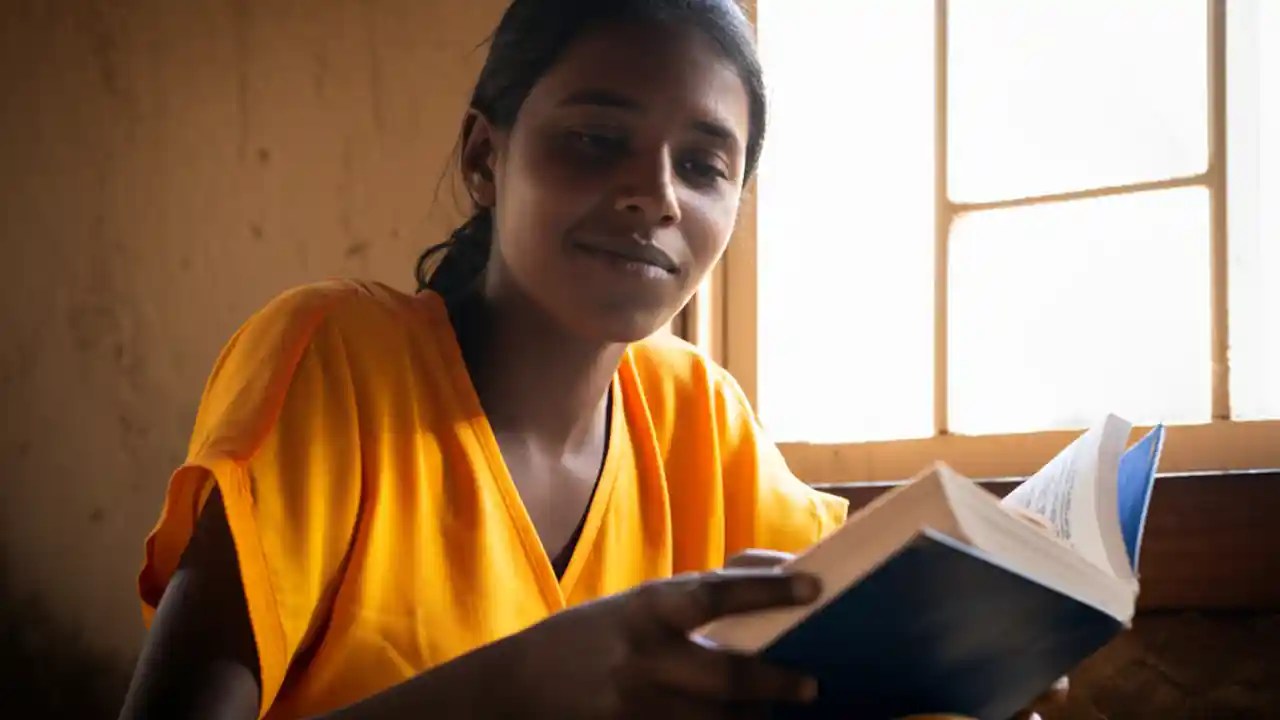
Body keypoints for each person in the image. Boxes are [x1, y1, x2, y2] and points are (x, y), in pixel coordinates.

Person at [118, 1, 1066, 718]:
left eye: (703, 166)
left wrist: (964, 660)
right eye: (596, 140)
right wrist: (519, 686)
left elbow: (844, 654)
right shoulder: (337, 365)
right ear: (487, 160)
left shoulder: (701, 420)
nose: (654, 196)